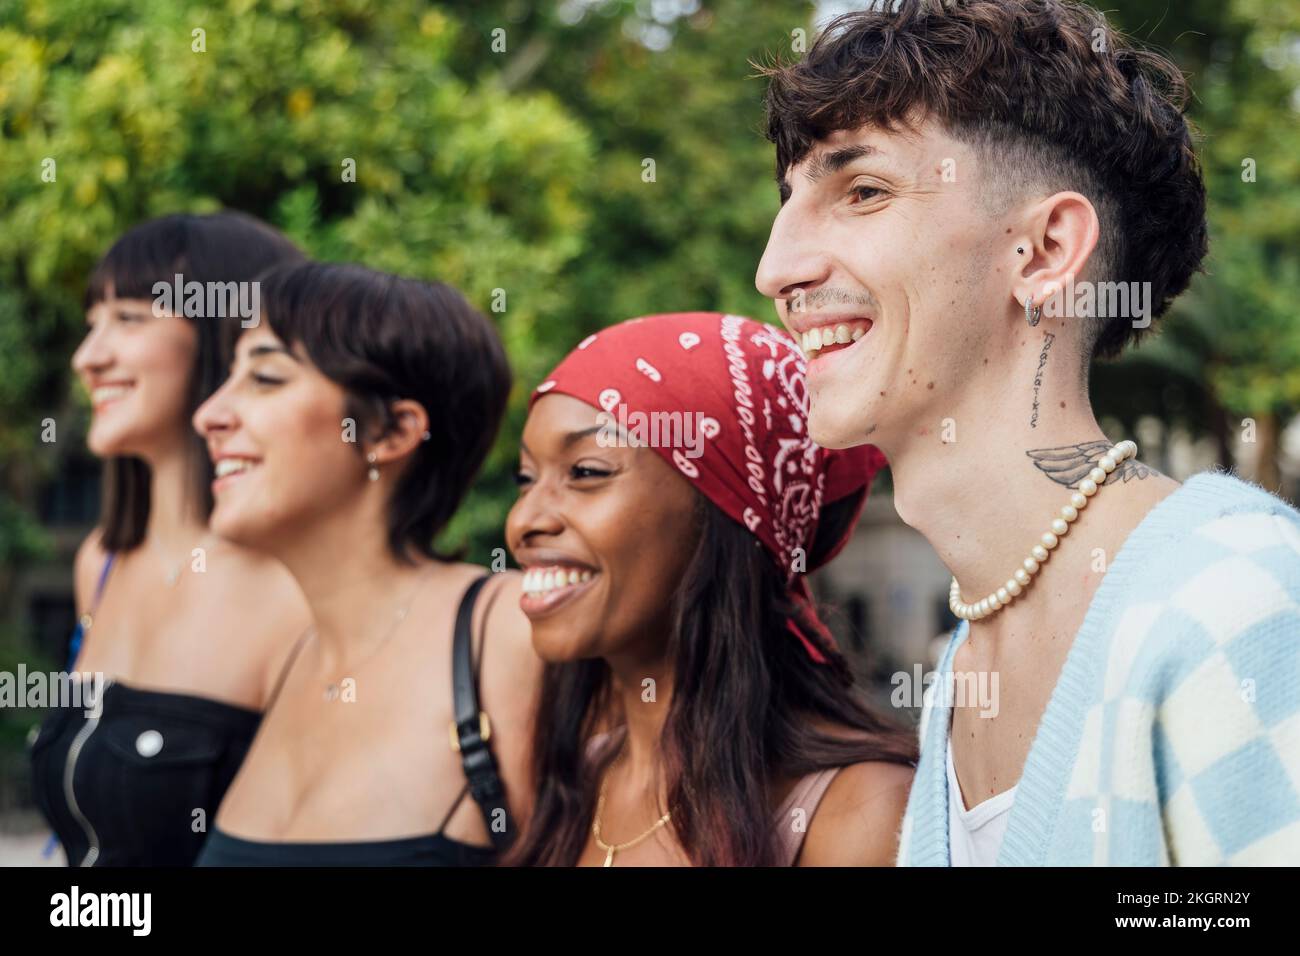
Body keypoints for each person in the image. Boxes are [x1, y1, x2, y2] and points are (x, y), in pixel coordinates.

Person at [755, 1, 1300, 865]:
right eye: (790, 204)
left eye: (861, 191)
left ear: (1046, 251)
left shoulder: (1235, 599)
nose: (775, 269)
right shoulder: (958, 672)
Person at [503, 311, 916, 867]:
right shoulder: (578, 777)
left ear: (727, 511)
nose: (524, 521)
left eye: (587, 471)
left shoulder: (859, 812)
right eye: (526, 478)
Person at [192, 261, 540, 866]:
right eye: (229, 377)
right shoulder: (286, 654)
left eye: (267, 378)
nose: (209, 415)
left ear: (390, 431)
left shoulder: (507, 634)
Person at [28, 212, 311, 866]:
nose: (88, 356)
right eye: (92, 320)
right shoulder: (100, 563)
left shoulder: (301, 584)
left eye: (129, 317)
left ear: (232, 338)